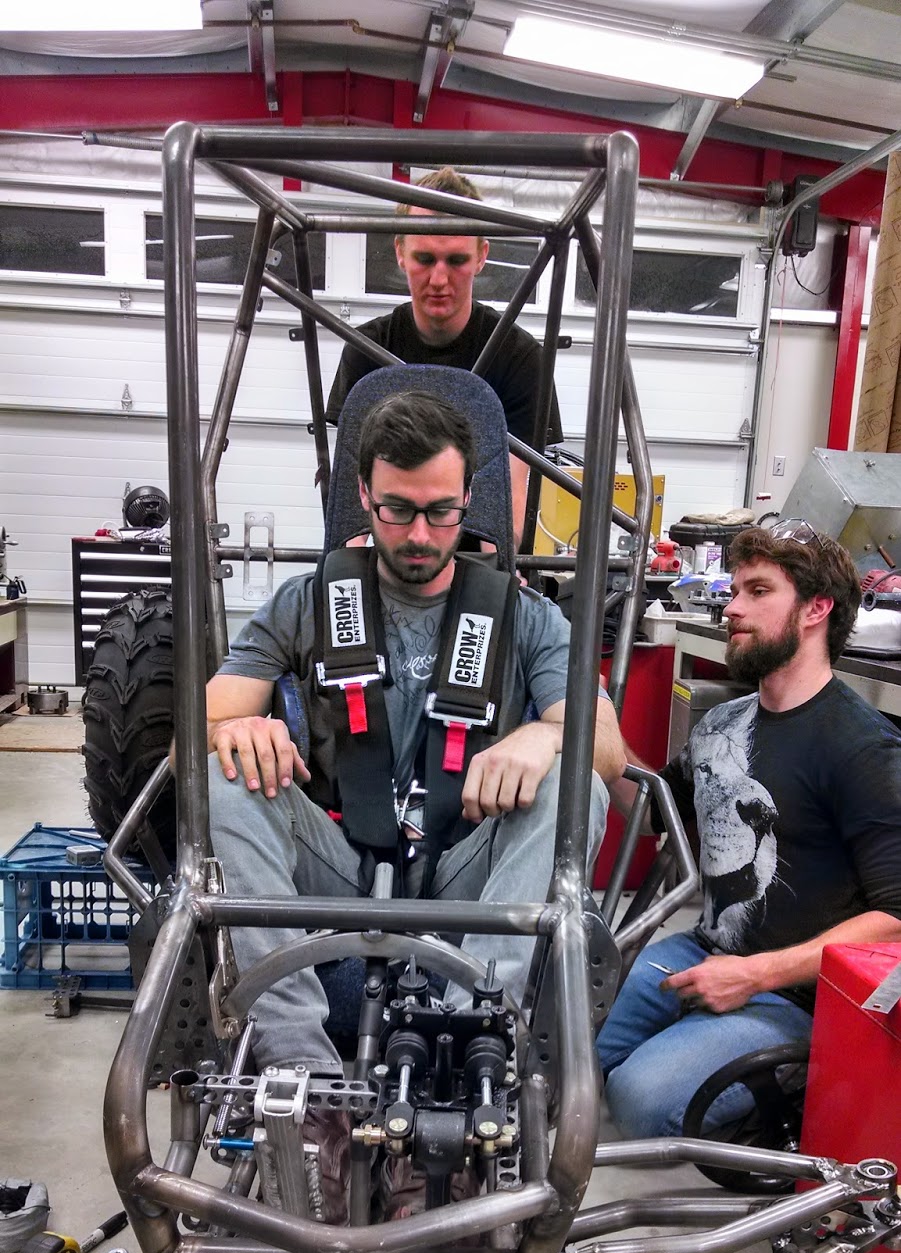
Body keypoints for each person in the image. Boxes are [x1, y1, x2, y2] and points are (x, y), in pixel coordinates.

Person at [205, 389, 625, 1077]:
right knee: (221, 773)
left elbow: (609, 752)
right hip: (338, 867)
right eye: (397, 510)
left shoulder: (528, 620)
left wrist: (546, 738)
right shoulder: (307, 602)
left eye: (441, 512)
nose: (421, 535)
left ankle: (466, 1051)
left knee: (573, 782)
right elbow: (198, 729)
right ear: (365, 498)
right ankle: (299, 1074)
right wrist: (236, 729)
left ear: (468, 501)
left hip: (466, 873)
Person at [598, 520, 901, 1140]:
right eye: (735, 589)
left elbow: (896, 917)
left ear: (816, 609)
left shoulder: (862, 748)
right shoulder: (724, 725)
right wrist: (600, 740)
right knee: (559, 1047)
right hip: (703, 952)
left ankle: (790, 1083)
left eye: (757, 591)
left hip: (795, 995)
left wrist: (756, 975)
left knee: (638, 1097)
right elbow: (660, 815)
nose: (731, 607)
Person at [325, 167, 563, 546]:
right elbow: (353, 510)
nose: (438, 279)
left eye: (455, 260)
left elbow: (510, 510)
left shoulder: (519, 358)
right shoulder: (366, 351)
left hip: (479, 569)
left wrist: (496, 581)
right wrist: (349, 586)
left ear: (481, 256)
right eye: (424, 258)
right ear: (400, 253)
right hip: (387, 567)